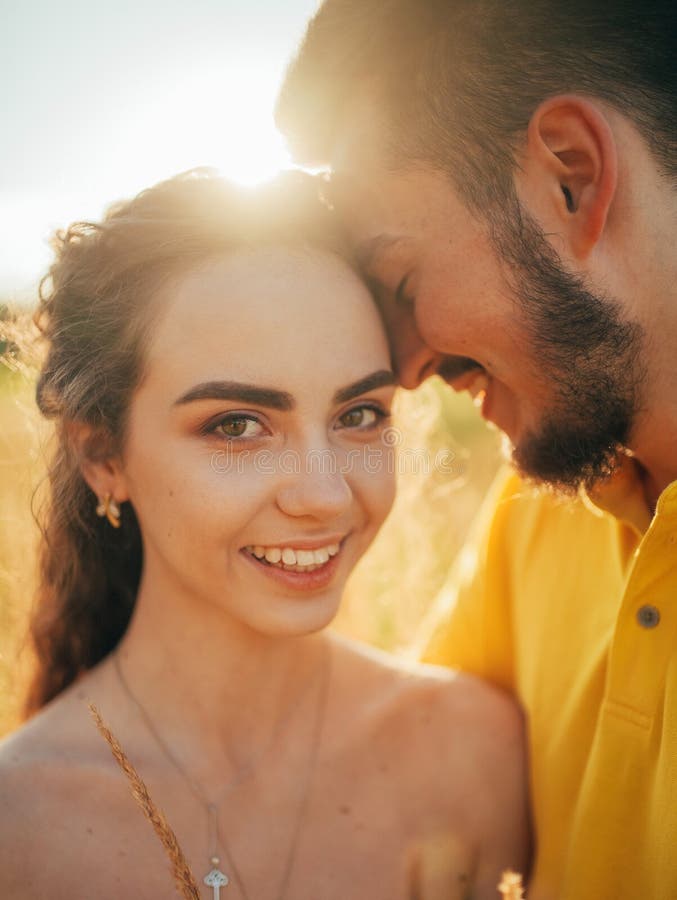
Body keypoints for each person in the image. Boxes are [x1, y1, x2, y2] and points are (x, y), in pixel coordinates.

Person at [0, 170, 528, 899]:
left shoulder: (474, 755)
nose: (322, 495)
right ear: (102, 456)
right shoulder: (18, 827)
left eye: (359, 414)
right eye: (237, 425)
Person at [275, 2, 677, 898]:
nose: (407, 367)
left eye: (404, 281)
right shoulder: (541, 505)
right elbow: (393, 795)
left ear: (569, 177)